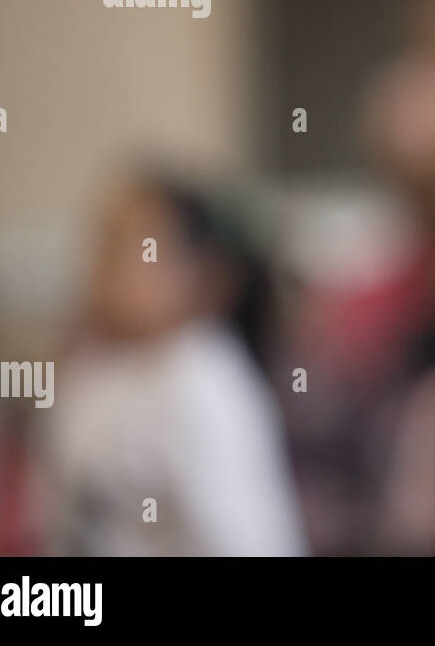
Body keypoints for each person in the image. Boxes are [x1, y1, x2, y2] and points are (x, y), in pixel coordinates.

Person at [35, 172, 306, 555]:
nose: (105, 263)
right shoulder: (85, 372)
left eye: (130, 243)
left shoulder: (204, 379)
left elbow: (251, 544)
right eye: (102, 239)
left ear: (195, 269)